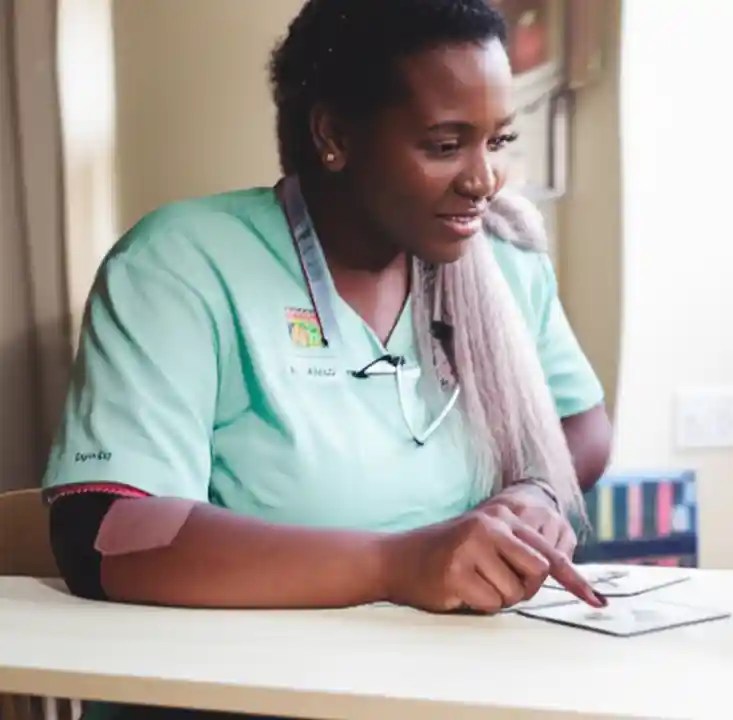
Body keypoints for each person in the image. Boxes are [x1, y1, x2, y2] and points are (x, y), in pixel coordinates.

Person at [44, 0, 610, 638]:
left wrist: (538, 493)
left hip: (447, 678)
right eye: (446, 145)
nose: (483, 180)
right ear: (333, 137)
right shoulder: (181, 264)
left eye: (497, 140)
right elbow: (104, 535)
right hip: (234, 686)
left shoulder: (504, 259)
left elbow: (580, 422)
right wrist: (396, 564)